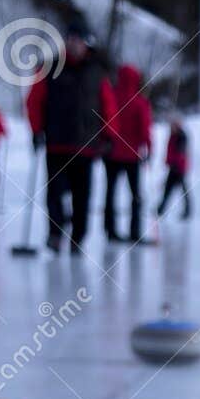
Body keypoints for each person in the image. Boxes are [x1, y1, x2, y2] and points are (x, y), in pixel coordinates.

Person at [27, 19, 116, 254]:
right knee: (54, 192)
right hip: (56, 142)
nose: (73, 44)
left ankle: (78, 236)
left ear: (85, 42)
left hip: (85, 145)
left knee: (81, 195)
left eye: (77, 39)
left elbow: (108, 105)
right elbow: (34, 100)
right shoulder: (49, 68)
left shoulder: (97, 72)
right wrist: (36, 130)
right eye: (70, 39)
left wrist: (109, 134)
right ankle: (55, 234)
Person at [104, 64, 152, 243]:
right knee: (136, 195)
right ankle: (134, 231)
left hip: (111, 154)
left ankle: (110, 229)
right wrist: (148, 148)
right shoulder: (140, 101)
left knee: (110, 192)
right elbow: (145, 129)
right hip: (132, 155)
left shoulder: (111, 97)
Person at [157, 118, 191, 219]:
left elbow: (181, 152)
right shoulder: (173, 135)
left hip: (179, 167)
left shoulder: (181, 136)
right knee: (168, 189)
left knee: (182, 190)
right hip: (173, 166)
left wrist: (176, 164)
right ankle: (161, 209)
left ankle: (187, 210)